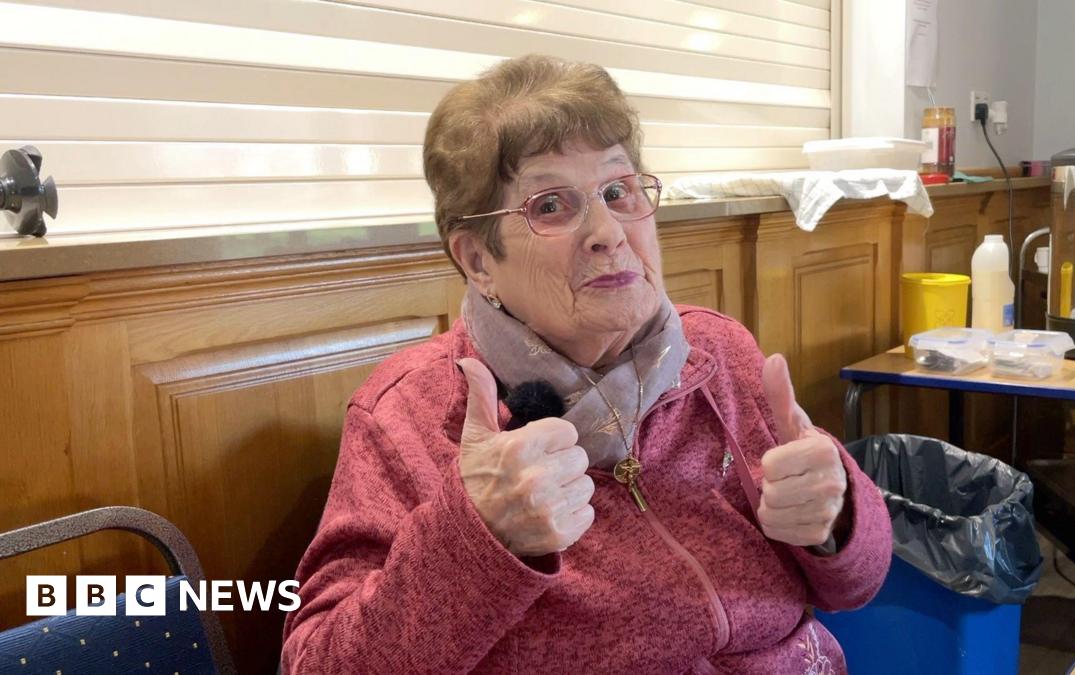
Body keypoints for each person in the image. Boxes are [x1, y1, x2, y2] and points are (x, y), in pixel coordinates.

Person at [281, 54, 891, 674]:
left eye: (618, 191)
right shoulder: (410, 414)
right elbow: (318, 663)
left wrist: (836, 516)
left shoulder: (718, 355)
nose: (607, 230)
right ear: (477, 259)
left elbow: (858, 585)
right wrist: (476, 537)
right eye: (551, 205)